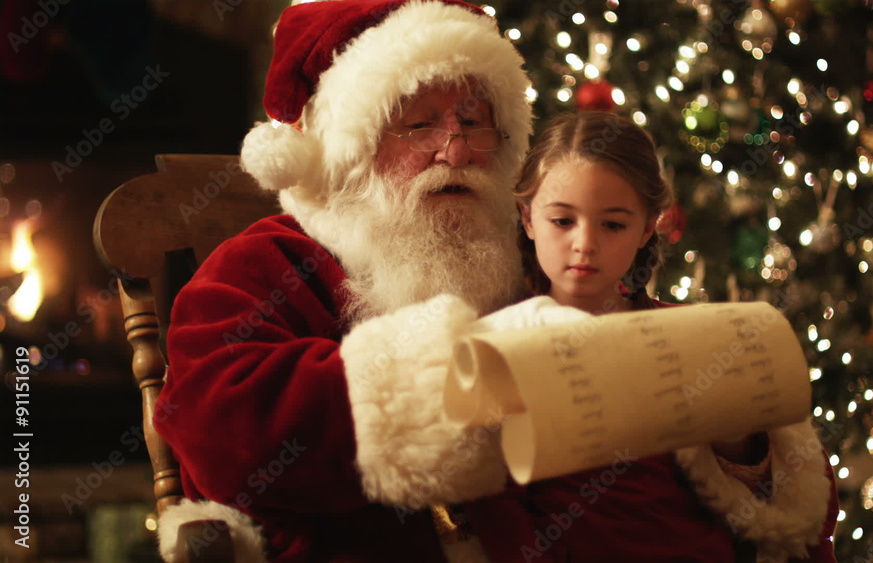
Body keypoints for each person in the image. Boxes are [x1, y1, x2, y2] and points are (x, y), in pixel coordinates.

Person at [153, 0, 540, 560]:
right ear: (351, 150)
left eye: (474, 122)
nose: (455, 150)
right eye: (419, 123)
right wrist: (435, 387)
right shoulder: (263, 264)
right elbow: (221, 424)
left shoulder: (520, 257)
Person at [463, 112, 838, 562]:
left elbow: (795, 499)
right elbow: (494, 510)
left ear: (646, 228)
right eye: (563, 221)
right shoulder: (502, 346)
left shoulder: (693, 336)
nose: (585, 243)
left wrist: (736, 440)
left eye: (613, 225)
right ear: (527, 218)